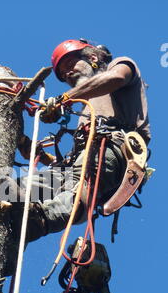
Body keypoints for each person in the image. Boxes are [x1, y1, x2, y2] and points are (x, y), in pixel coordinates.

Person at [10, 39, 150, 243]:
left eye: (70, 65)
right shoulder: (87, 107)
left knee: (78, 194)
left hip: (110, 148)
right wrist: (41, 155)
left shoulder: (119, 66)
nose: (67, 74)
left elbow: (117, 77)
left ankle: (36, 221)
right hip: (78, 163)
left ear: (93, 58)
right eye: (63, 75)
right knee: (11, 189)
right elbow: (72, 165)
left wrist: (64, 99)